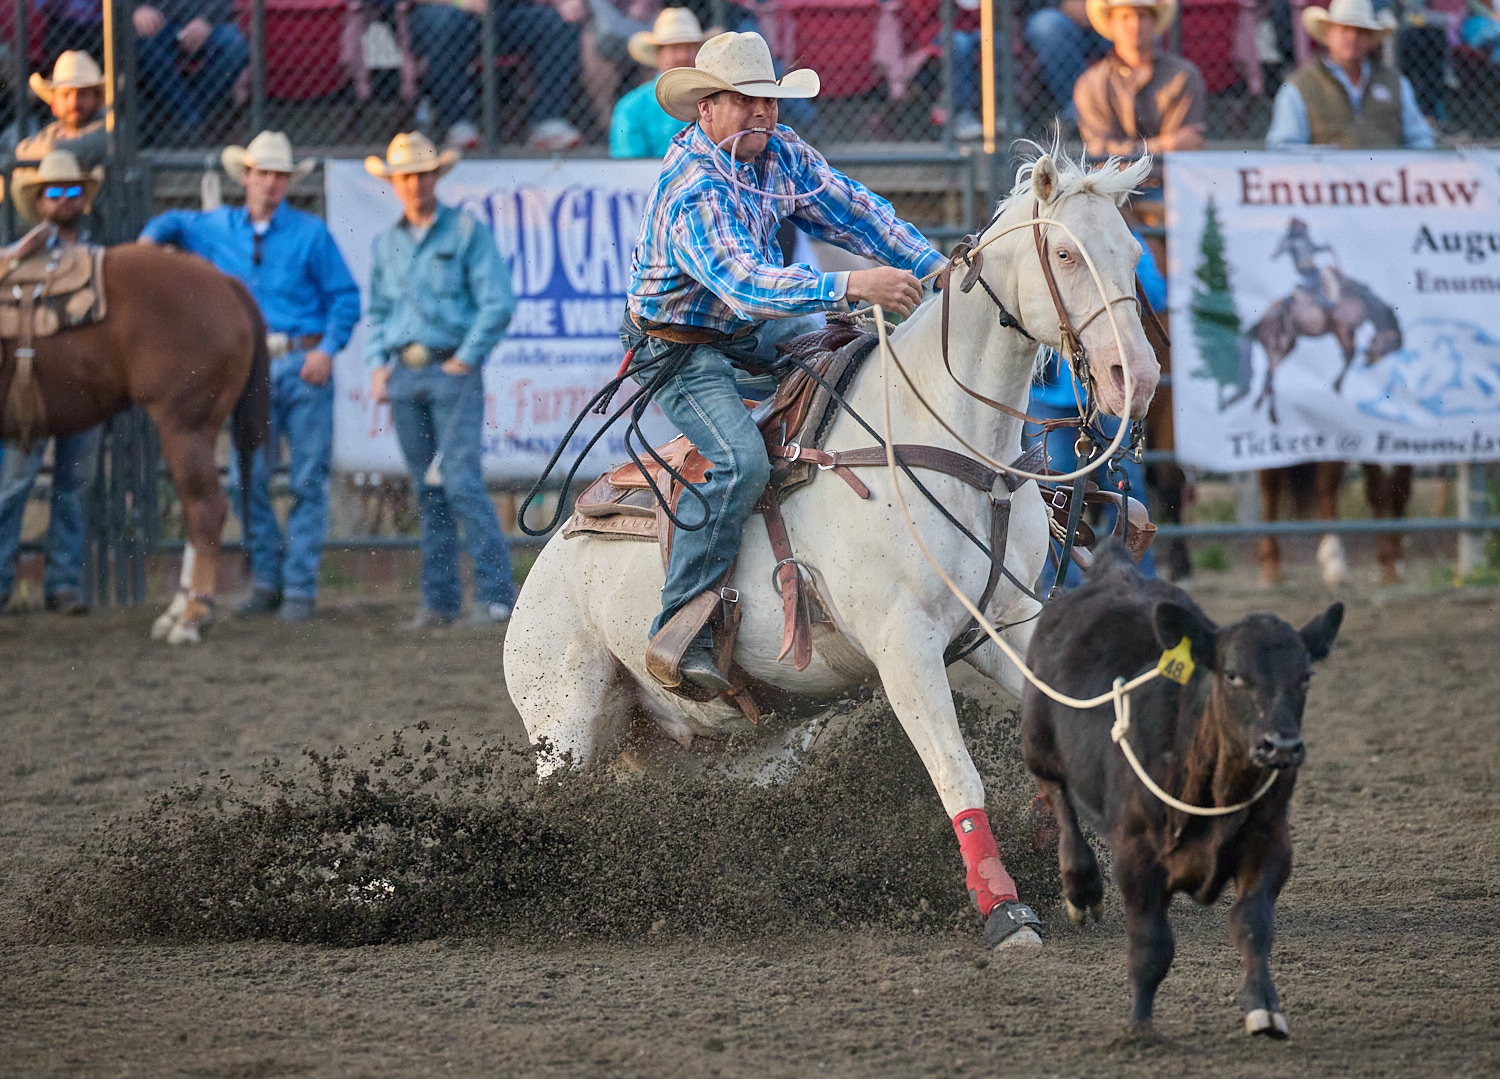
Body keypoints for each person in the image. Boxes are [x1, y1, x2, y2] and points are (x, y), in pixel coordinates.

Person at [625, 31, 944, 694]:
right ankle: (682, 622)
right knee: (740, 460)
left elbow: (855, 212)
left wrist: (933, 266)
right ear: (704, 109)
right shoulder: (693, 187)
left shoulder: (781, 153)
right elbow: (743, 281)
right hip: (680, 347)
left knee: (853, 364)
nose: (762, 114)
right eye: (744, 102)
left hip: (747, 326)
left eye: (767, 99)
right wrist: (851, 286)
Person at [138, 132, 361, 623]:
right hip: (249, 372)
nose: (271, 183)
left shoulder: (310, 234)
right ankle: (268, 581)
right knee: (246, 479)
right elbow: (169, 222)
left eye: (279, 176)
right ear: (246, 177)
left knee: (306, 480)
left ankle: (297, 587)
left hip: (302, 365)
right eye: (263, 174)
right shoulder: (214, 226)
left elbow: (345, 297)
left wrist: (326, 349)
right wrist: (149, 247)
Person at [364, 133, 519, 629]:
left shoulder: (467, 232)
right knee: (427, 489)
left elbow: (498, 302)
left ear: (436, 178)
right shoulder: (386, 244)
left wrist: (466, 357)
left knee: (459, 482)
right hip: (406, 375)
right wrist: (377, 363)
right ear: (394, 183)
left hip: (451, 370)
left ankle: (496, 596)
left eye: (422, 174)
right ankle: (440, 602)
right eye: (406, 176)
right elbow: (378, 310)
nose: (414, 184)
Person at [1023, 233, 1163, 589]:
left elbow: (1157, 296)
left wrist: (1120, 266)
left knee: (1128, 491)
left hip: (1107, 390)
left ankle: (1135, 584)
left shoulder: (1123, 240)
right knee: (1054, 494)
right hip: (1053, 393)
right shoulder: (1043, 241)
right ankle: (1064, 589)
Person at [0, 151, 104, 615]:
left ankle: (63, 584)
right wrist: (19, 253)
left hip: (84, 385)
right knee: (15, 482)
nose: (65, 199)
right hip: (32, 388)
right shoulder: (16, 257)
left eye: (72, 191)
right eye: (55, 192)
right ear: (39, 202)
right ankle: (7, 579)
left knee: (74, 486)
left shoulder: (98, 258)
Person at [396, 0, 584, 151]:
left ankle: (546, 121)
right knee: (447, 21)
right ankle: (457, 124)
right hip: (441, 12)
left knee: (555, 21)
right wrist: (462, 2)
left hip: (494, 16)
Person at [1265, 0, 1434, 149]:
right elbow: (1283, 146)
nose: (1352, 37)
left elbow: (1420, 139)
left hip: (1386, 182)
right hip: (1326, 182)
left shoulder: (1395, 82)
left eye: (1360, 31)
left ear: (1370, 38)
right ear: (1328, 34)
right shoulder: (1299, 86)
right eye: (1344, 29)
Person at [1073, 0, 1206, 157]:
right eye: (1125, 16)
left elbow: (1185, 149)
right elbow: (1100, 154)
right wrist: (1163, 145)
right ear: (1110, 22)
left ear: (1154, 21)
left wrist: (1126, 152)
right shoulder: (1090, 84)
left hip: (1172, 180)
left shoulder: (1182, 75)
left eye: (1142, 16)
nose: (1134, 24)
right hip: (1114, 181)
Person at [132, 0, 250, 143]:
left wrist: (205, 19)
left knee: (236, 43)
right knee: (142, 43)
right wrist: (137, 10)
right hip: (158, 25)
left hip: (207, 25)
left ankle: (196, 119)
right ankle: (192, 122)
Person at [610, 7, 709, 158]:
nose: (683, 56)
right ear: (658, 54)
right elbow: (629, 169)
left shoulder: (716, 100)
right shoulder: (632, 107)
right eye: (675, 48)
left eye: (689, 47)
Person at [14, 51, 106, 169]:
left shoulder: (108, 130)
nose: (74, 102)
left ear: (98, 100)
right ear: (53, 104)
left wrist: (35, 151)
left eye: (82, 94)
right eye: (66, 94)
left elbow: (56, 149)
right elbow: (22, 149)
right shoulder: (53, 131)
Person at [1025, 0, 1111, 124]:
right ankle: (1079, 114)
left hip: (1107, 17)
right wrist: (1065, 7)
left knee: (1138, 24)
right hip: (1063, 21)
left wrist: (1098, 11)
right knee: (1048, 25)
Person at [1273, 217, 1338, 309]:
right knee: (1316, 276)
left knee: (1317, 276)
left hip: (1309, 263)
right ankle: (1318, 297)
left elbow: (1313, 248)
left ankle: (1310, 292)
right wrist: (1278, 253)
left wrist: (1325, 248)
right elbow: (1281, 250)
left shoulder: (1304, 236)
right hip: (1302, 266)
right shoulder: (1290, 239)